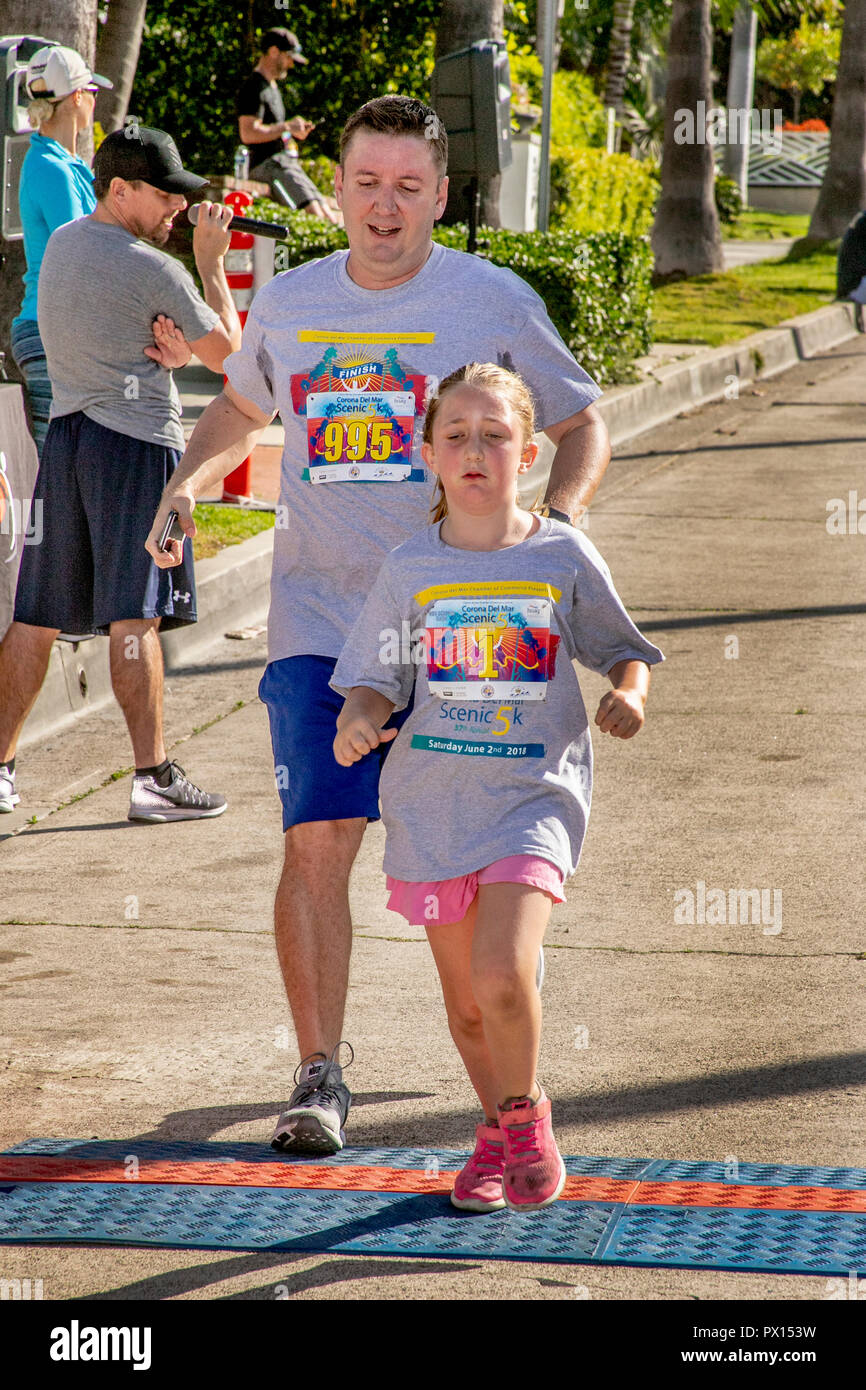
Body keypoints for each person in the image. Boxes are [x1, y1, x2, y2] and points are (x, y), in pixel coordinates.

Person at [145, 94, 612, 1155]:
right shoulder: (296, 302)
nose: (385, 206)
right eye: (365, 183)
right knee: (317, 837)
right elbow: (241, 406)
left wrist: (559, 530)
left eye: (408, 186)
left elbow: (582, 425)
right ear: (340, 189)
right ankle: (318, 1073)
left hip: (462, 630)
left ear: (439, 195)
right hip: (319, 621)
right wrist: (184, 482)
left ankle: (508, 1073)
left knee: (475, 869)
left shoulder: (490, 300)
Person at [331, 362, 663, 1210]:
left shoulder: (560, 552)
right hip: (431, 806)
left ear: (527, 453)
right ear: (428, 453)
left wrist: (627, 692)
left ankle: (525, 1120)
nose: (475, 450)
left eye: (496, 435)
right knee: (470, 1007)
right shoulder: (410, 567)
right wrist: (356, 719)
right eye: (457, 436)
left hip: (531, 800)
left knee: (505, 977)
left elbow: (622, 646)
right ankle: (493, 1129)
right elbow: (376, 679)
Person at [0, 127, 242, 823]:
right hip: (136, 449)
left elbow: (97, 334)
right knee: (134, 617)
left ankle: (1, 772)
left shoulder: (66, 245)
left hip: (71, 440)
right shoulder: (154, 269)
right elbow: (232, 359)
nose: (175, 207)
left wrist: (158, 356)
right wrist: (211, 264)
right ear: (120, 189)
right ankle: (153, 779)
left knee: (35, 618)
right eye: (164, 195)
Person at [11, 44, 113, 457]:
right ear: (76, 98)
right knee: (54, 464)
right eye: (91, 90)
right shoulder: (52, 169)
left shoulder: (62, 163)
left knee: (64, 460)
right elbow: (84, 247)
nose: (93, 100)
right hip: (48, 329)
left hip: (54, 327)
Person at [235, 26, 341, 225]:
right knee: (314, 215)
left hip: (285, 164)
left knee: (328, 213)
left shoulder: (272, 87)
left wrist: (291, 135)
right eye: (289, 57)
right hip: (268, 166)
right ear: (274, 51)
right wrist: (287, 127)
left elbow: (272, 130)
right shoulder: (254, 87)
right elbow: (248, 133)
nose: (291, 64)